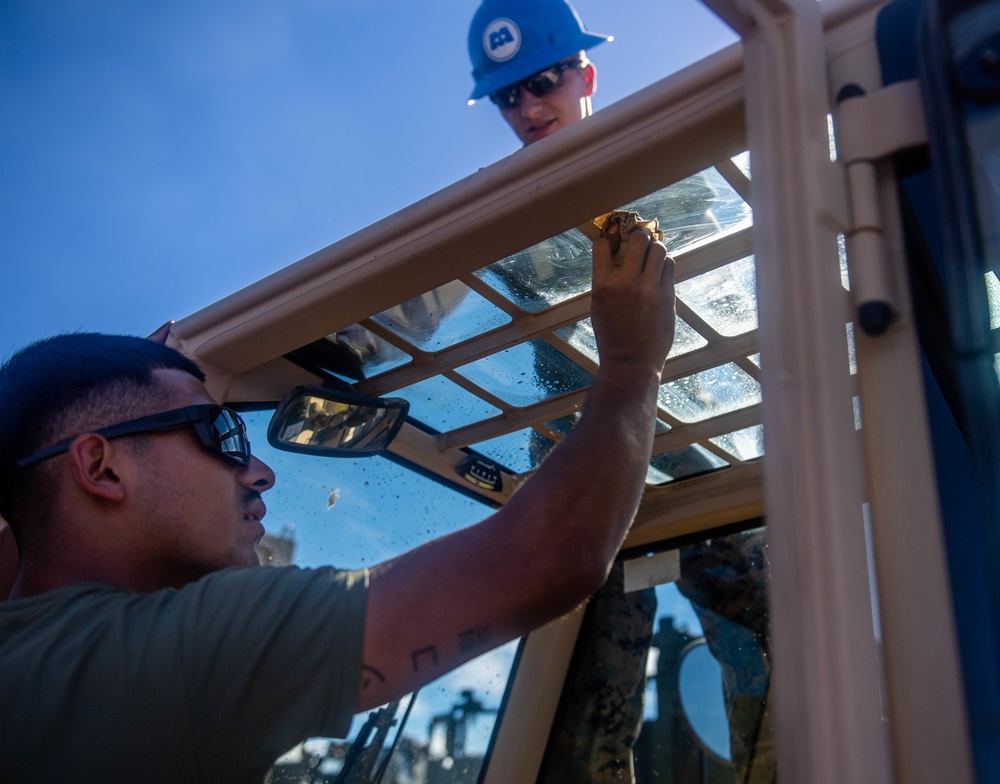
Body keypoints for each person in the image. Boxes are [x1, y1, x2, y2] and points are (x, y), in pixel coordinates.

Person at [0, 222, 674, 783]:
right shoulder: (164, 659)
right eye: (222, 432)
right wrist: (633, 367)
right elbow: (550, 554)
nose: (259, 473)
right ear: (100, 466)